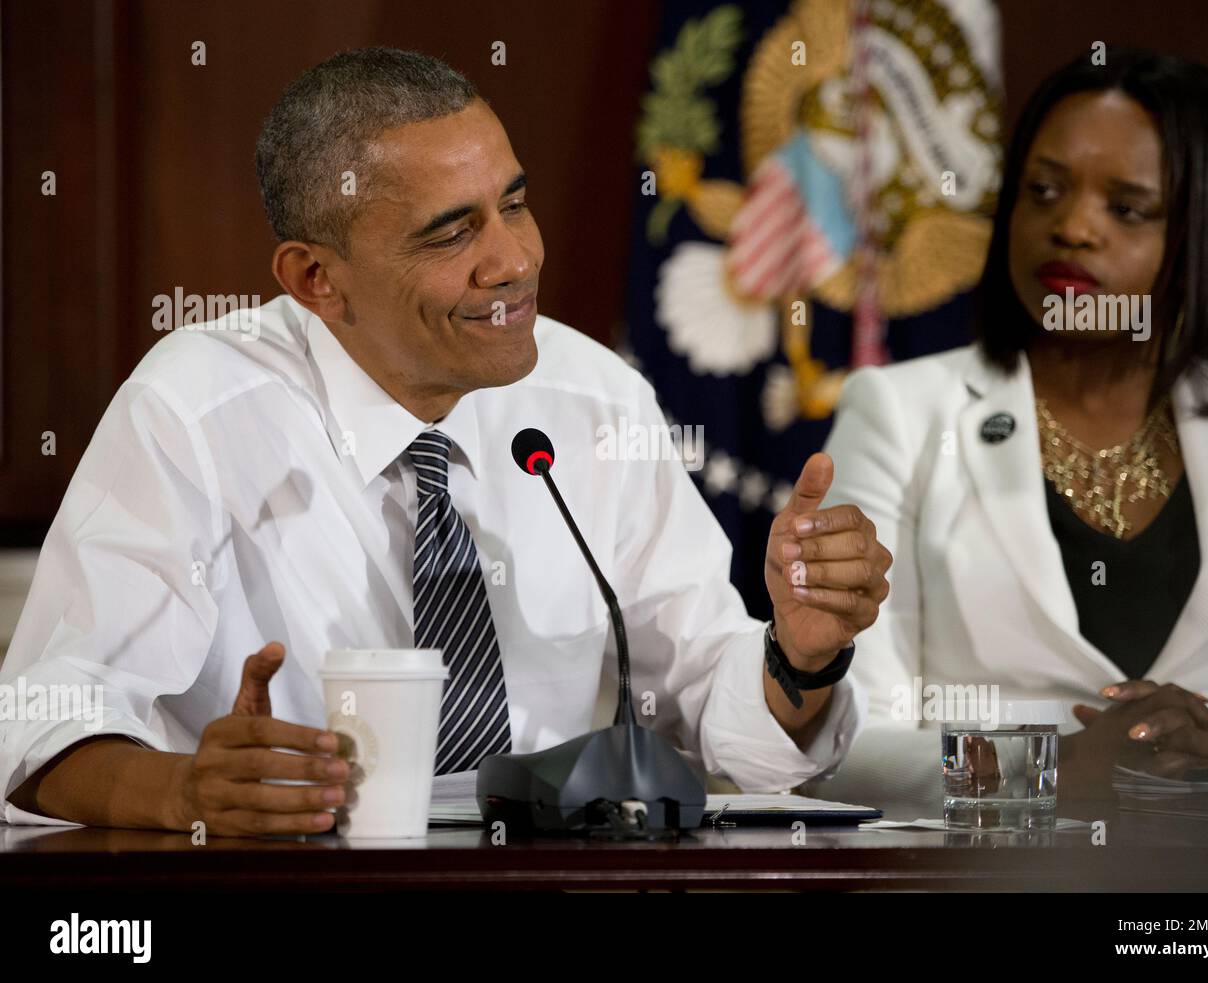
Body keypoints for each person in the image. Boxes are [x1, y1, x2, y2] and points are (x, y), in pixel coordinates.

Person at [0, 48, 891, 836]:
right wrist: (186, 791)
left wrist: (799, 653)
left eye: (515, 203)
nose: (515, 260)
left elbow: (720, 709)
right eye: (453, 232)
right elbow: (42, 719)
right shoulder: (195, 411)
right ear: (316, 278)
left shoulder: (592, 398)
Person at [804, 49, 1208, 810]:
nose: (1070, 227)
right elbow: (842, 746)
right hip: (987, 876)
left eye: (1126, 208)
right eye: (1043, 191)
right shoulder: (900, 412)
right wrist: (1045, 771)